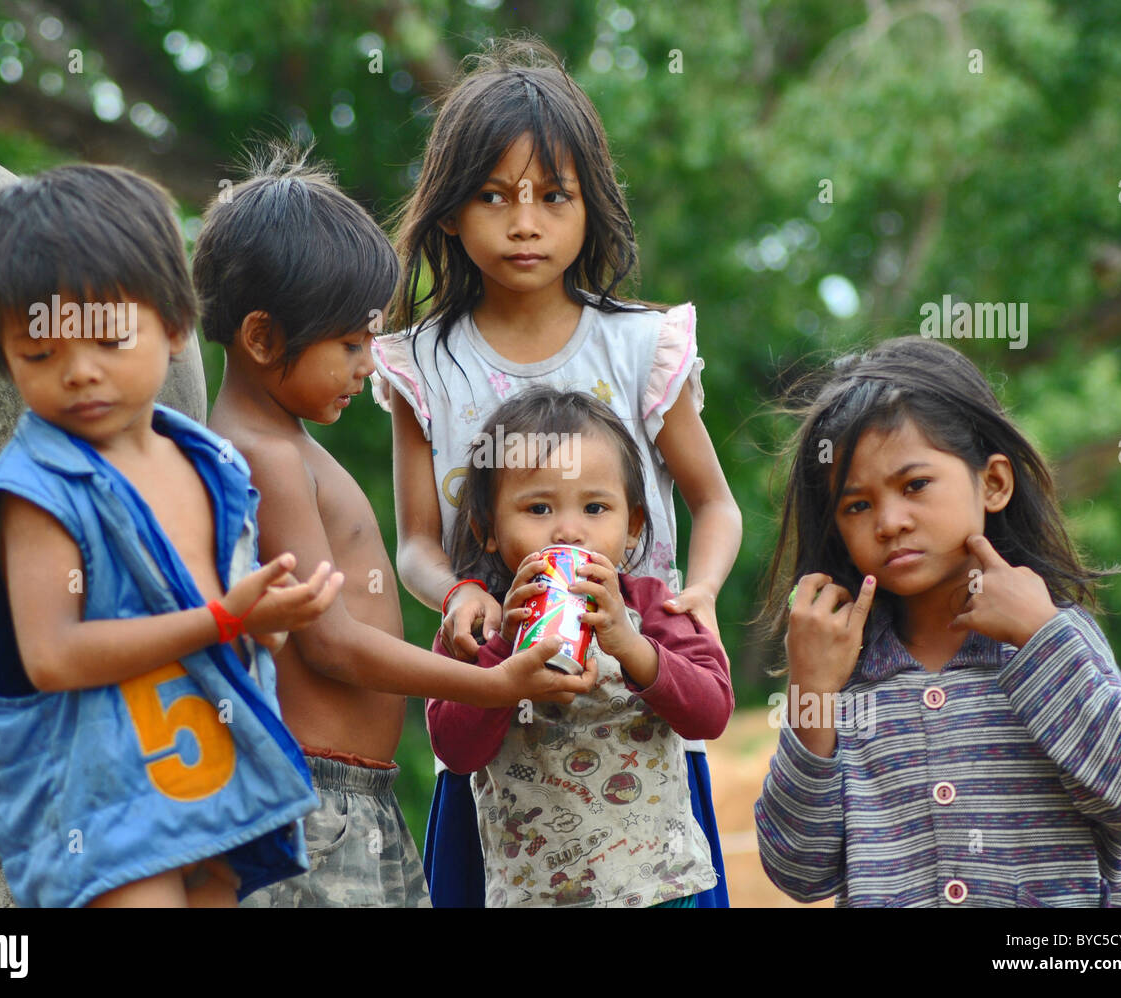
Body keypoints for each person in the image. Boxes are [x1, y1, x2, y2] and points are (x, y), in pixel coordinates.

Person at [373, 36, 741, 907]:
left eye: (552, 196)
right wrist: (459, 594)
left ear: (591, 207)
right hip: (501, 727)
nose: (525, 221)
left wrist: (703, 595)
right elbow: (418, 545)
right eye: (494, 196)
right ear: (452, 212)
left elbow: (714, 502)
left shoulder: (642, 345)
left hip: (640, 738)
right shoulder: (423, 366)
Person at [196, 146, 595, 908]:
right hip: (313, 807)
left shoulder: (290, 446)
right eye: (349, 344)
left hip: (355, 800)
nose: (366, 366)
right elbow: (332, 643)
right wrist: (492, 683)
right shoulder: (262, 454)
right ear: (261, 337)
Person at [0, 164, 344, 908]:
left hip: (212, 783)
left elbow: (225, 626)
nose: (78, 371)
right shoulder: (39, 493)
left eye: (106, 338)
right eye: (39, 353)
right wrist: (228, 618)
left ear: (173, 324)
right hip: (105, 812)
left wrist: (269, 624)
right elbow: (53, 656)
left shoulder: (212, 465)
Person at [753, 336, 1121, 906]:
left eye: (915, 485)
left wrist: (1040, 638)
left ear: (993, 483)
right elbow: (800, 872)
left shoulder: (1054, 637)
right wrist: (810, 692)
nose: (890, 521)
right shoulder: (841, 676)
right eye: (857, 505)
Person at [427, 388, 732, 906]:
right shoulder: (475, 630)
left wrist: (631, 645)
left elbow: (711, 713)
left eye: (596, 507)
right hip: (536, 896)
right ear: (488, 530)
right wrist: (503, 649)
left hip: (660, 887)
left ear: (633, 525)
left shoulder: (656, 608)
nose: (569, 530)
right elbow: (455, 751)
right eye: (538, 507)